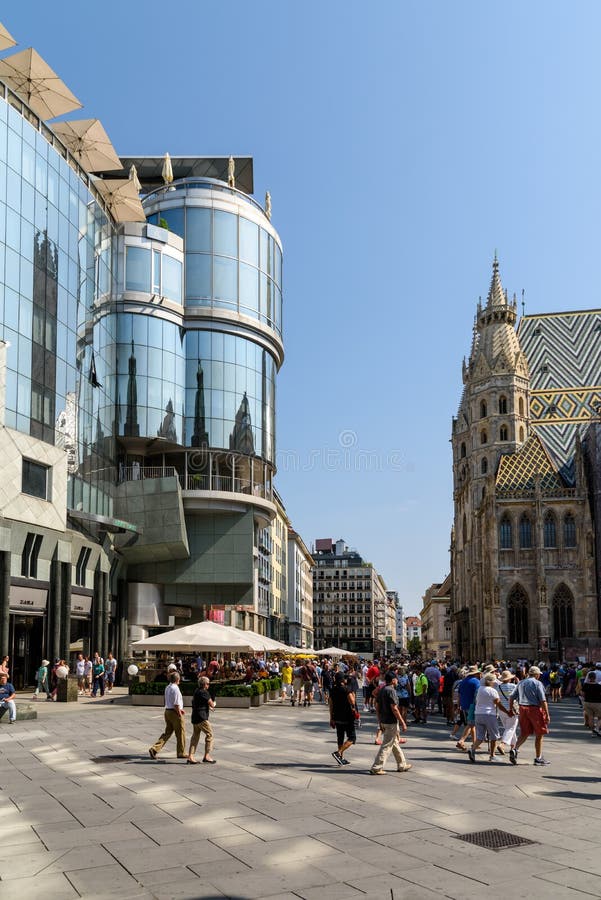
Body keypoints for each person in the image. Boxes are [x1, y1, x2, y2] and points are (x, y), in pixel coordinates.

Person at [369, 671, 411, 775]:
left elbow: (377, 706)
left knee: (394, 743)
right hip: (391, 721)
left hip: (384, 720)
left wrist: (379, 721)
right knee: (387, 745)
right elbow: (394, 708)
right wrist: (403, 722)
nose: (397, 681)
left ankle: (402, 764)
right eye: (396, 679)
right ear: (393, 680)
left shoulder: (382, 689)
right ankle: (377, 767)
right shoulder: (391, 691)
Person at [508, 665, 551, 766]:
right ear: (536, 675)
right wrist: (547, 714)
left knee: (524, 733)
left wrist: (511, 709)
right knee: (539, 734)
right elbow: (543, 700)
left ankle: (515, 749)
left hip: (523, 709)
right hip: (535, 709)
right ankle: (538, 758)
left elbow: (511, 697)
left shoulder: (521, 682)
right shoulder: (537, 683)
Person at [468, 673, 512, 762]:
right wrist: (507, 712)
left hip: (478, 714)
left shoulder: (480, 689)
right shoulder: (492, 691)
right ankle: (492, 755)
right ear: (491, 682)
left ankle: (473, 749)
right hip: (489, 714)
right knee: (494, 736)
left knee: (480, 736)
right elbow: (498, 704)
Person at [149, 671, 187, 760]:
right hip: (174, 712)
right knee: (181, 733)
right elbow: (176, 704)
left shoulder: (168, 687)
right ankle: (181, 752)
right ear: (178, 679)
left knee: (167, 733)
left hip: (167, 711)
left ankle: (154, 749)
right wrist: (179, 712)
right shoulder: (176, 689)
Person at [329, 671, 357, 765]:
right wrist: (352, 692)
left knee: (340, 737)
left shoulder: (333, 690)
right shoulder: (346, 689)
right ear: (342, 680)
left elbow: (331, 705)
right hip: (347, 717)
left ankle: (340, 758)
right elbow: (352, 702)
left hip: (336, 716)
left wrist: (331, 718)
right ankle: (338, 753)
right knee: (352, 738)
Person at [187, 675, 217, 764]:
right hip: (202, 717)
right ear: (204, 684)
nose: (209, 685)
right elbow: (212, 704)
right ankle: (207, 756)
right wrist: (214, 703)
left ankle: (190, 756)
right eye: (208, 684)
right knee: (210, 734)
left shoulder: (197, 691)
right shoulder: (204, 692)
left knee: (195, 737)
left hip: (195, 716)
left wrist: (208, 706)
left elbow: (198, 702)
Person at [455, 665, 480, 750]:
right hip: (472, 705)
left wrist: (458, 706)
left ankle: (475, 743)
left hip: (464, 705)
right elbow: (477, 694)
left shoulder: (462, 681)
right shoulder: (476, 682)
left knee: (472, 725)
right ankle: (461, 741)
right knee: (471, 724)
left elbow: (459, 695)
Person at [496, 670, 518, 753]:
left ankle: (513, 747)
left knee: (509, 728)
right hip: (512, 710)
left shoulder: (498, 687)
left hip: (501, 710)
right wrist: (517, 681)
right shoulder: (513, 686)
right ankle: (502, 744)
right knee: (510, 728)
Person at [581, 670, 601, 736]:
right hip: (597, 703)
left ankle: (593, 732)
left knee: (590, 717)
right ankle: (597, 728)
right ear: (595, 677)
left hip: (587, 702)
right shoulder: (598, 686)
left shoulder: (585, 685)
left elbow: (582, 694)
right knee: (600, 717)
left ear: (589, 677)